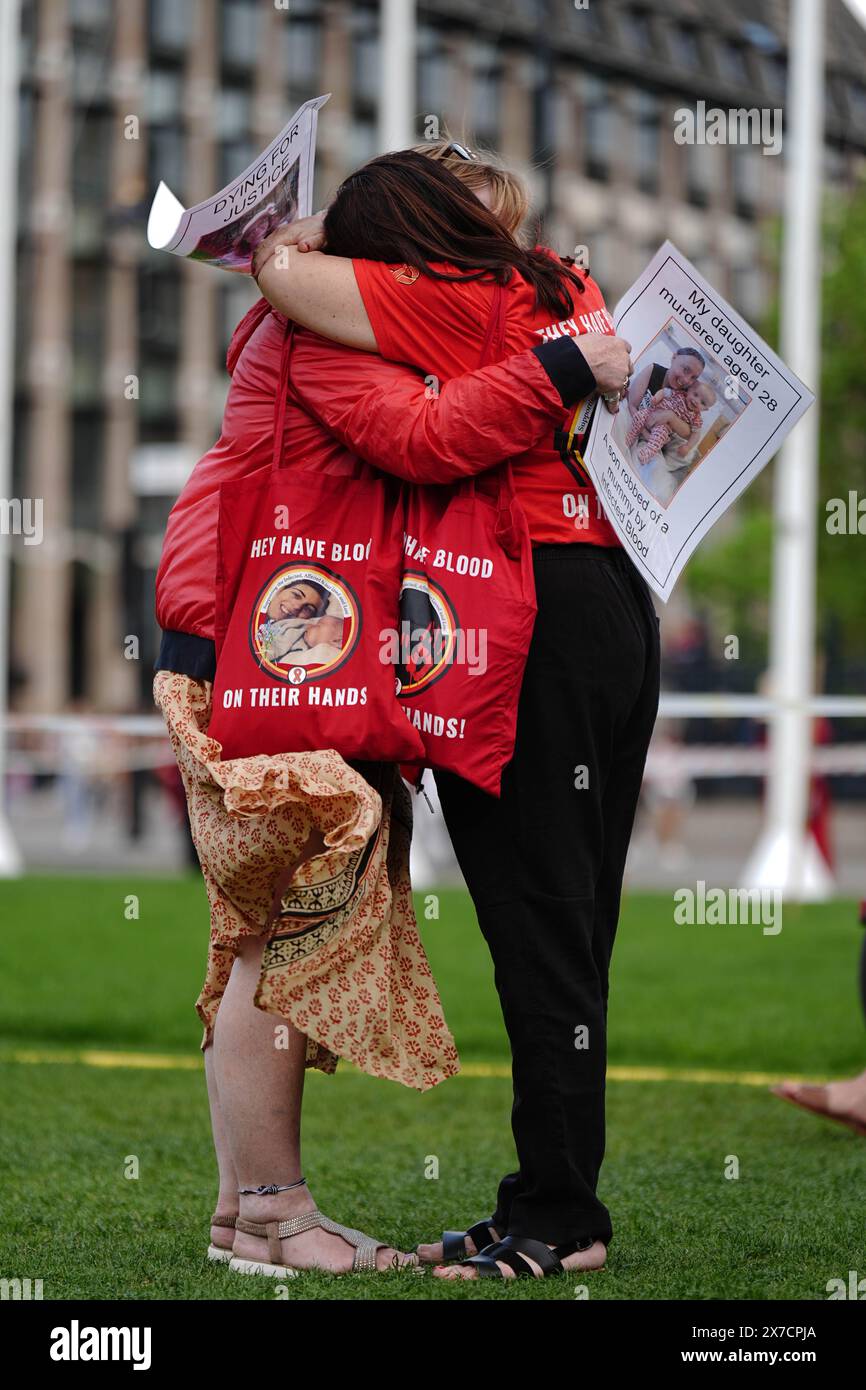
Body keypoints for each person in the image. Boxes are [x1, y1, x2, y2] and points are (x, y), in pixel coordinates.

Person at [154, 146, 631, 1279]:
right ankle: (270, 1210)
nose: (484, 259)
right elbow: (421, 438)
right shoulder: (336, 322)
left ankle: (250, 1209)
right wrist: (559, 359)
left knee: (281, 917)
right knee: (288, 916)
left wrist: (286, 246)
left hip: (293, 633)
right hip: (268, 637)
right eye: (471, 233)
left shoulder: (366, 307)